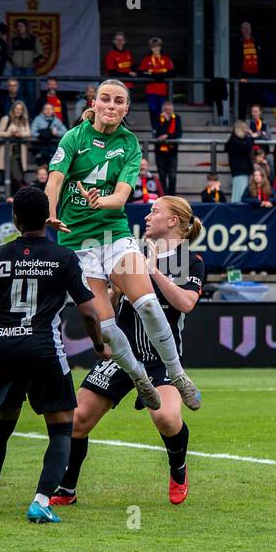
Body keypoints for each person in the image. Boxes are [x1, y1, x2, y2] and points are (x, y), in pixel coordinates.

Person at [43, 77, 202, 413]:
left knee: (145, 302)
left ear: (126, 108)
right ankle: (139, 376)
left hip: (113, 234)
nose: (111, 106)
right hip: (76, 243)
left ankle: (176, 373)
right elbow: (54, 180)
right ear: (95, 103)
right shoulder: (73, 138)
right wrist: (51, 214)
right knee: (104, 324)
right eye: (105, 99)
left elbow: (121, 197)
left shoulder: (129, 144)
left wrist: (99, 202)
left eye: (119, 101)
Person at [52, 197, 205, 508]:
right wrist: (110, 292)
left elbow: (186, 303)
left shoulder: (191, 261)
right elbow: (111, 298)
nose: (148, 217)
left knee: (166, 418)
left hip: (161, 359)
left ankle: (178, 470)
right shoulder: (127, 252)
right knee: (78, 419)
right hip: (124, 357)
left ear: (174, 220)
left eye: (155, 211)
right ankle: (66, 488)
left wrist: (153, 273)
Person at [0, 187, 108, 523]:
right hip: (44, 348)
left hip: (5, 347)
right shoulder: (63, 258)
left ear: (15, 219)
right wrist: (98, 345)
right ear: (47, 217)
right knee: (61, 429)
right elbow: (90, 313)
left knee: (1, 426)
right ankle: (41, 501)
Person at [0, 99, 32, 191]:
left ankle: (18, 194)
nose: (18, 111)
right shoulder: (6, 119)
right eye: (17, 109)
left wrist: (20, 134)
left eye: (20, 109)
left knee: (18, 173)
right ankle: (21, 192)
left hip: (20, 151)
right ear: (13, 109)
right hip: (8, 151)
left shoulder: (24, 120)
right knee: (15, 175)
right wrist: (10, 133)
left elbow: (28, 133)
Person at [140, 37, 174, 131]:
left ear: (160, 47)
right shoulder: (147, 59)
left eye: (157, 47)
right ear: (151, 48)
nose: (155, 49)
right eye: (153, 47)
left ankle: (161, 129)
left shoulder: (166, 59)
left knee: (161, 111)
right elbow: (141, 73)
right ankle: (154, 128)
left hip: (162, 90)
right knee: (153, 109)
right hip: (151, 90)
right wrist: (154, 75)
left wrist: (160, 75)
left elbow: (172, 72)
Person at [152, 100, 182, 195]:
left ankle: (172, 196)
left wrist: (167, 136)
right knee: (162, 175)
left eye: (170, 109)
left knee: (172, 175)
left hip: (172, 151)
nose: (168, 111)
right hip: (160, 151)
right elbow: (157, 134)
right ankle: (163, 195)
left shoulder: (177, 118)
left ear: (173, 110)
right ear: (163, 109)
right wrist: (165, 121)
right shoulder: (158, 118)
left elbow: (178, 133)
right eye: (166, 109)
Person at [9, 18, 41, 101]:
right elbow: (8, 53)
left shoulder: (33, 39)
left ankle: (31, 111)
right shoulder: (14, 39)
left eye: (21, 26)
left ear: (26, 27)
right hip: (16, 68)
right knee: (18, 90)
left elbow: (40, 52)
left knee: (30, 90)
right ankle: (18, 110)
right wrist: (14, 62)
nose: (19, 28)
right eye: (18, 26)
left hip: (29, 68)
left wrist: (32, 62)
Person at [30, 101, 68, 169]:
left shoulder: (56, 120)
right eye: (46, 109)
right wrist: (41, 134)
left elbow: (65, 132)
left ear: (53, 110)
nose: (48, 111)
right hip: (41, 148)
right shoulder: (38, 119)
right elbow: (32, 132)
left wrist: (56, 133)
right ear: (43, 110)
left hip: (52, 150)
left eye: (50, 109)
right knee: (43, 167)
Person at [225, 120, 254, 202]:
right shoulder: (235, 141)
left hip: (241, 169)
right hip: (240, 170)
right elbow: (247, 148)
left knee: (241, 190)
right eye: (245, 128)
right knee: (240, 192)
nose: (247, 130)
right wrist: (251, 137)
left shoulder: (237, 140)